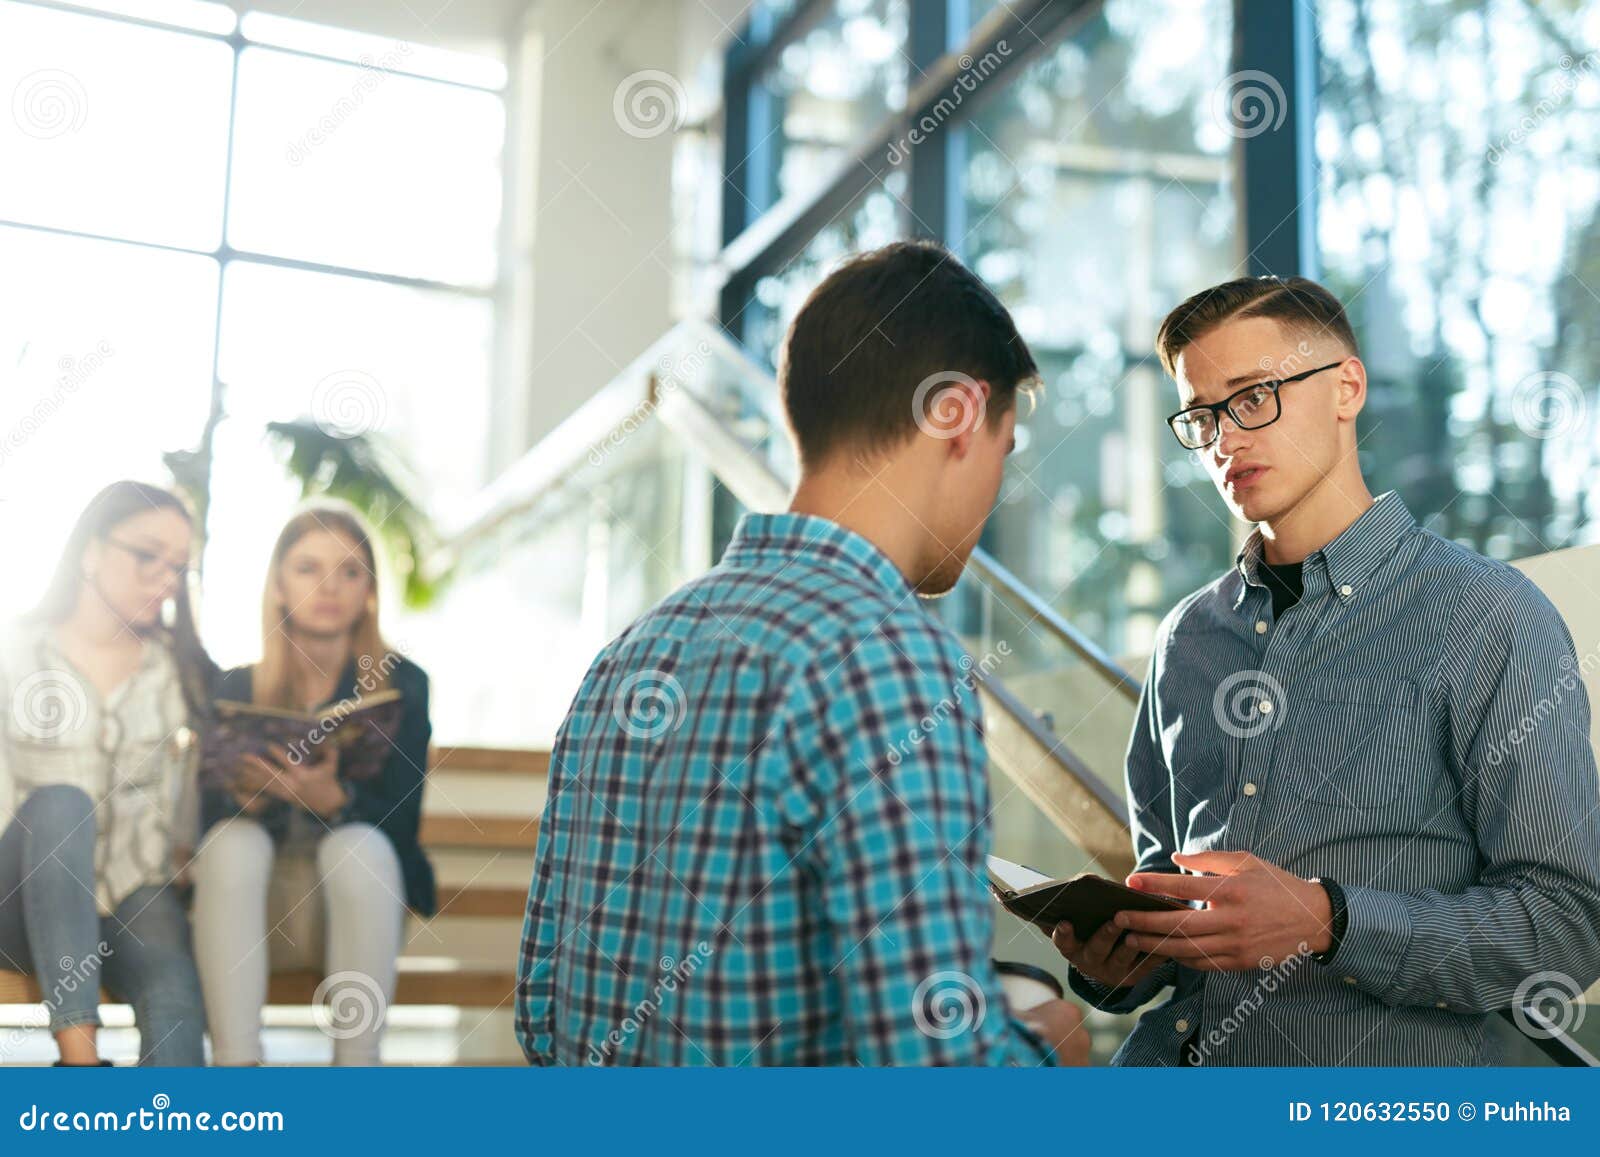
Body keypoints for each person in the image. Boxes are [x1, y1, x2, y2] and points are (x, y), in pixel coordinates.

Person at [516, 240, 1088, 1066]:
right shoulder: (886, 655)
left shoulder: (629, 654)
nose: (994, 497)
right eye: (1006, 450)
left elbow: (541, 1014)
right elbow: (935, 1071)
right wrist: (1051, 1050)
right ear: (960, 413)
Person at [1052, 275, 1600, 1065]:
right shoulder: (1186, 641)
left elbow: (1566, 929)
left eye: (1251, 398)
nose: (1223, 440)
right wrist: (1124, 963)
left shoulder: (1489, 617)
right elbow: (1170, 900)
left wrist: (1326, 920)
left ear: (1346, 388)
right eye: (1200, 415)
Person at [192, 506, 433, 1066]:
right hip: (254, 916)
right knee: (230, 840)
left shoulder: (404, 684)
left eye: (349, 571)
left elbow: (403, 824)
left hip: (352, 912)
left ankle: (356, 1069)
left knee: (358, 845)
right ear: (277, 585)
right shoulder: (234, 686)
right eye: (308, 568)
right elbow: (205, 818)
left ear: (369, 589)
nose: (330, 587)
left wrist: (337, 801)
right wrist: (250, 798)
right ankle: (237, 1065)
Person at [0, 480, 213, 1066]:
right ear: (90, 551)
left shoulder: (172, 673)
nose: (166, 580)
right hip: (16, 902)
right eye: (148, 555)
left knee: (173, 998)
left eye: (178, 567)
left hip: (130, 894)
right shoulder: (13, 653)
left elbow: (182, 815)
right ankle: (79, 1064)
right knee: (63, 803)